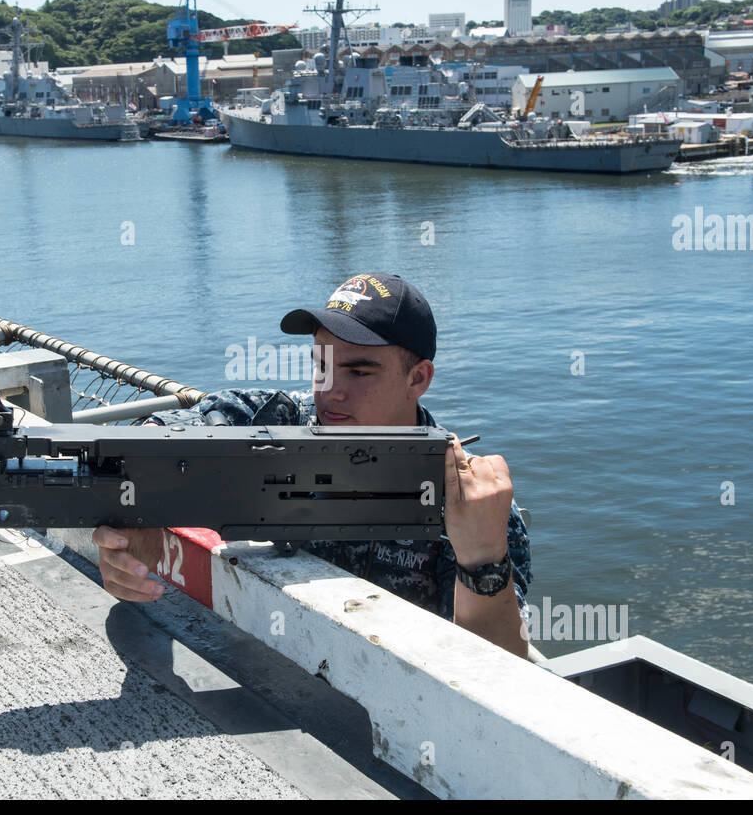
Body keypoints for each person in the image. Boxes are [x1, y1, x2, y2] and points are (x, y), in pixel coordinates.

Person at [91, 273, 532, 657]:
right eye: (322, 365)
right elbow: (158, 433)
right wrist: (143, 506)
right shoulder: (277, 422)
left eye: (359, 372)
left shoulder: (466, 499)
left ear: (418, 378)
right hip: (266, 676)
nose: (330, 392)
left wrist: (482, 561)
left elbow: (497, 668)